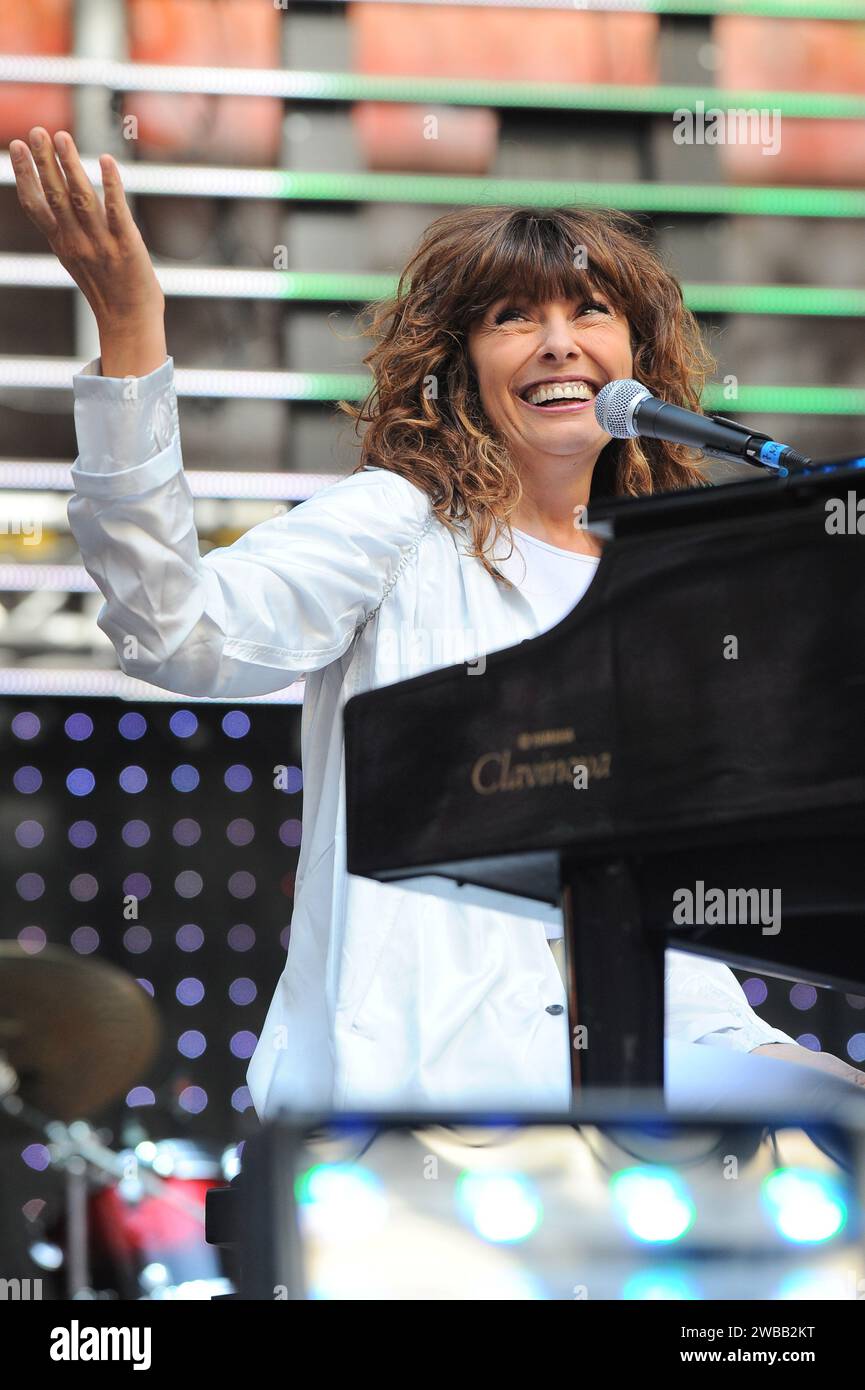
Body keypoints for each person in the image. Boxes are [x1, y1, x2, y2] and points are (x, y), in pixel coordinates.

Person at [12, 128, 864, 1117]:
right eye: (514, 317)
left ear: (639, 358)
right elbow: (175, 632)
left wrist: (774, 1060)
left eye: (590, 311)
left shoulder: (667, 590)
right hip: (418, 1107)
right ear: (458, 370)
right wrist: (129, 327)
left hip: (635, 1087)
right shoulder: (398, 525)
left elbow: (662, 902)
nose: (558, 342)